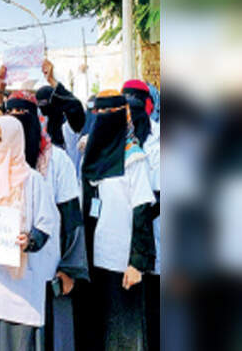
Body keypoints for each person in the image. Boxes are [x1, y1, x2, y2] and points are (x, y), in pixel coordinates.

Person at [0, 115, 59, 351]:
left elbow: (46, 222)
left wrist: (30, 240)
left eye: (1, 140)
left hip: (21, 275)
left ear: (15, 141)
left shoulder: (32, 180)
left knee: (19, 338)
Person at [6, 93, 88, 351]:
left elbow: (73, 217)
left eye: (24, 115)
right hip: (10, 273)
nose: (19, 123)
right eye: (13, 116)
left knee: (52, 338)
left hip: (50, 267)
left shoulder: (58, 161)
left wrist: (69, 268)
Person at [77, 91, 155, 351]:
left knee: (123, 336)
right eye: (97, 113)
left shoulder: (134, 157)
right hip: (93, 261)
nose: (100, 119)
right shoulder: (91, 153)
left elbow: (142, 210)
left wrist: (137, 263)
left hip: (122, 264)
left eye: (107, 114)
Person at [121, 80, 161, 351]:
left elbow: (157, 195)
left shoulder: (159, 142)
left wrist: (139, 214)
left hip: (155, 235)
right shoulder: (119, 139)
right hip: (127, 246)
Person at [34, 61, 86, 165]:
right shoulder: (37, 127)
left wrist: (52, 81)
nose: (42, 108)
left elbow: (74, 105)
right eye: (39, 104)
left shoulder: (68, 127)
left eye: (45, 103)